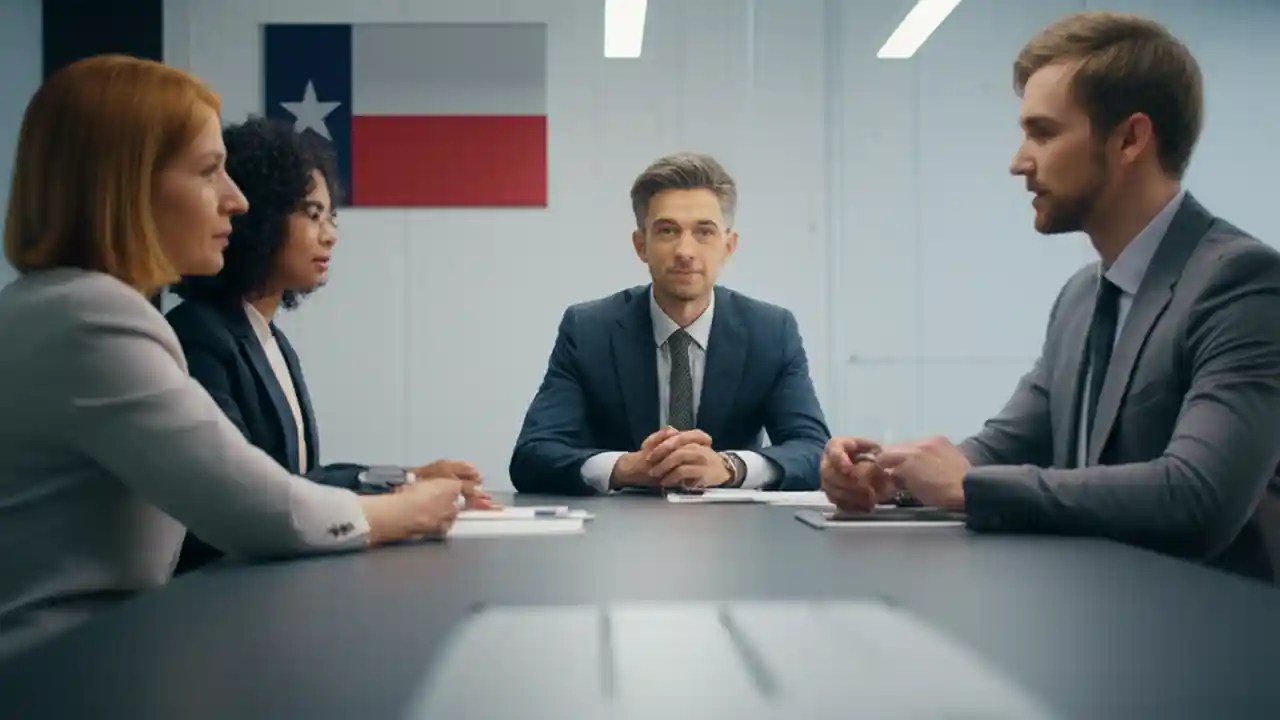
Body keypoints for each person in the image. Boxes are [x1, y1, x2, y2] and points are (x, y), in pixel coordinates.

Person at [0, 55, 464, 662]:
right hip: (66, 670)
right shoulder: (94, 317)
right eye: (209, 171)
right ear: (129, 184)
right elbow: (262, 510)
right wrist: (406, 509)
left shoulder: (53, 305)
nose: (236, 201)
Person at [821, 12, 1280, 581]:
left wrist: (965, 485)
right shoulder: (1083, 297)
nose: (1019, 161)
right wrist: (892, 477)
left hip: (1219, 642)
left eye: (1042, 133)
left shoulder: (1244, 283)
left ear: (1130, 139)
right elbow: (1004, 447)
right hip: (1105, 618)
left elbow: (1198, 495)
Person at [165, 117, 491, 573]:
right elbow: (245, 497)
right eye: (312, 215)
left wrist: (411, 477)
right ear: (258, 216)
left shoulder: (269, 338)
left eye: (331, 217)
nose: (331, 234)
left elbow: (297, 482)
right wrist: (404, 509)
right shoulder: (198, 336)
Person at [510, 152, 829, 495]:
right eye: (667, 231)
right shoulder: (589, 330)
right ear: (641, 245)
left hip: (734, 535)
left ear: (729, 245)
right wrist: (625, 467)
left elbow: (813, 452)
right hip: (616, 535)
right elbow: (533, 456)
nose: (685, 251)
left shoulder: (770, 332)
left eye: (704, 232)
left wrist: (729, 467)